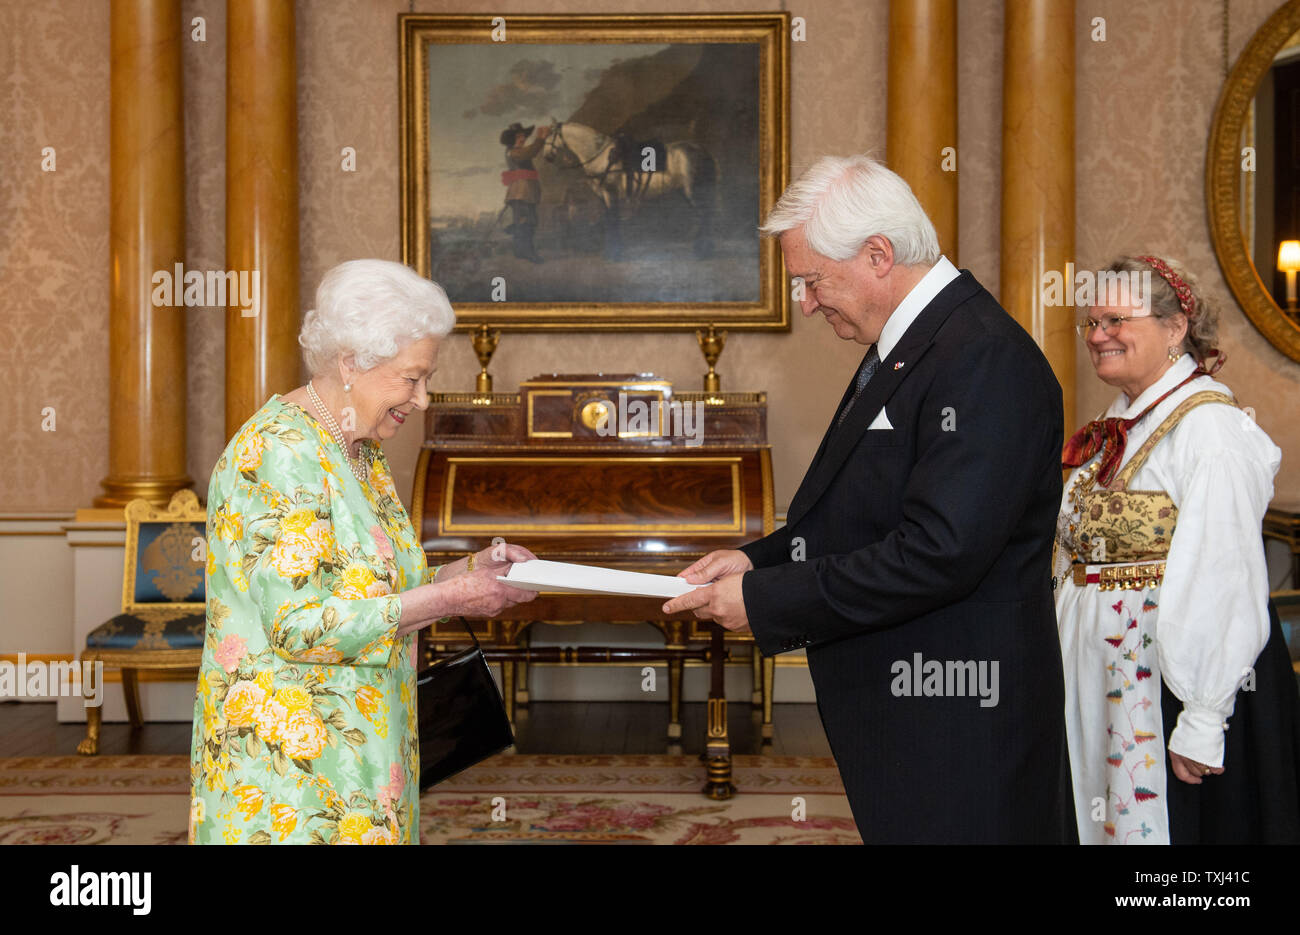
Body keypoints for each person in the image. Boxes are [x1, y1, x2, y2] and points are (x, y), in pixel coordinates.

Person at [664, 155, 1076, 843]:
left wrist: (766, 600)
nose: (805, 303)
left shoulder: (983, 357)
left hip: (961, 721)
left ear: (878, 255)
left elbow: (938, 554)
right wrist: (754, 562)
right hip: (916, 714)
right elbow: (857, 513)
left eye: (811, 281)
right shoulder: (917, 343)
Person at [189, 259, 536, 844]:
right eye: (411, 378)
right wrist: (450, 597)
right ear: (350, 363)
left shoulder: (358, 449)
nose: (423, 399)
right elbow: (299, 626)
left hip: (368, 755)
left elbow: (379, 583)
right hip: (290, 774)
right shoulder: (279, 452)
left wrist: (474, 568)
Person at [1055, 255, 1299, 844]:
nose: (1097, 335)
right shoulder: (1120, 423)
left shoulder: (1211, 430)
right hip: (1103, 678)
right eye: (1089, 323)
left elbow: (1224, 575)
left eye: (1116, 318)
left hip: (1169, 685)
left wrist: (1203, 717)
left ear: (1174, 327)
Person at [500, 122, 551, 263]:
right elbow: (530, 152)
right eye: (519, 136)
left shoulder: (516, 151)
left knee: (523, 221)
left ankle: (520, 251)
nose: (522, 139)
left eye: (523, 136)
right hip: (521, 192)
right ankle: (528, 253)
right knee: (526, 222)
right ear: (512, 139)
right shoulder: (515, 152)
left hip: (525, 191)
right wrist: (541, 138)